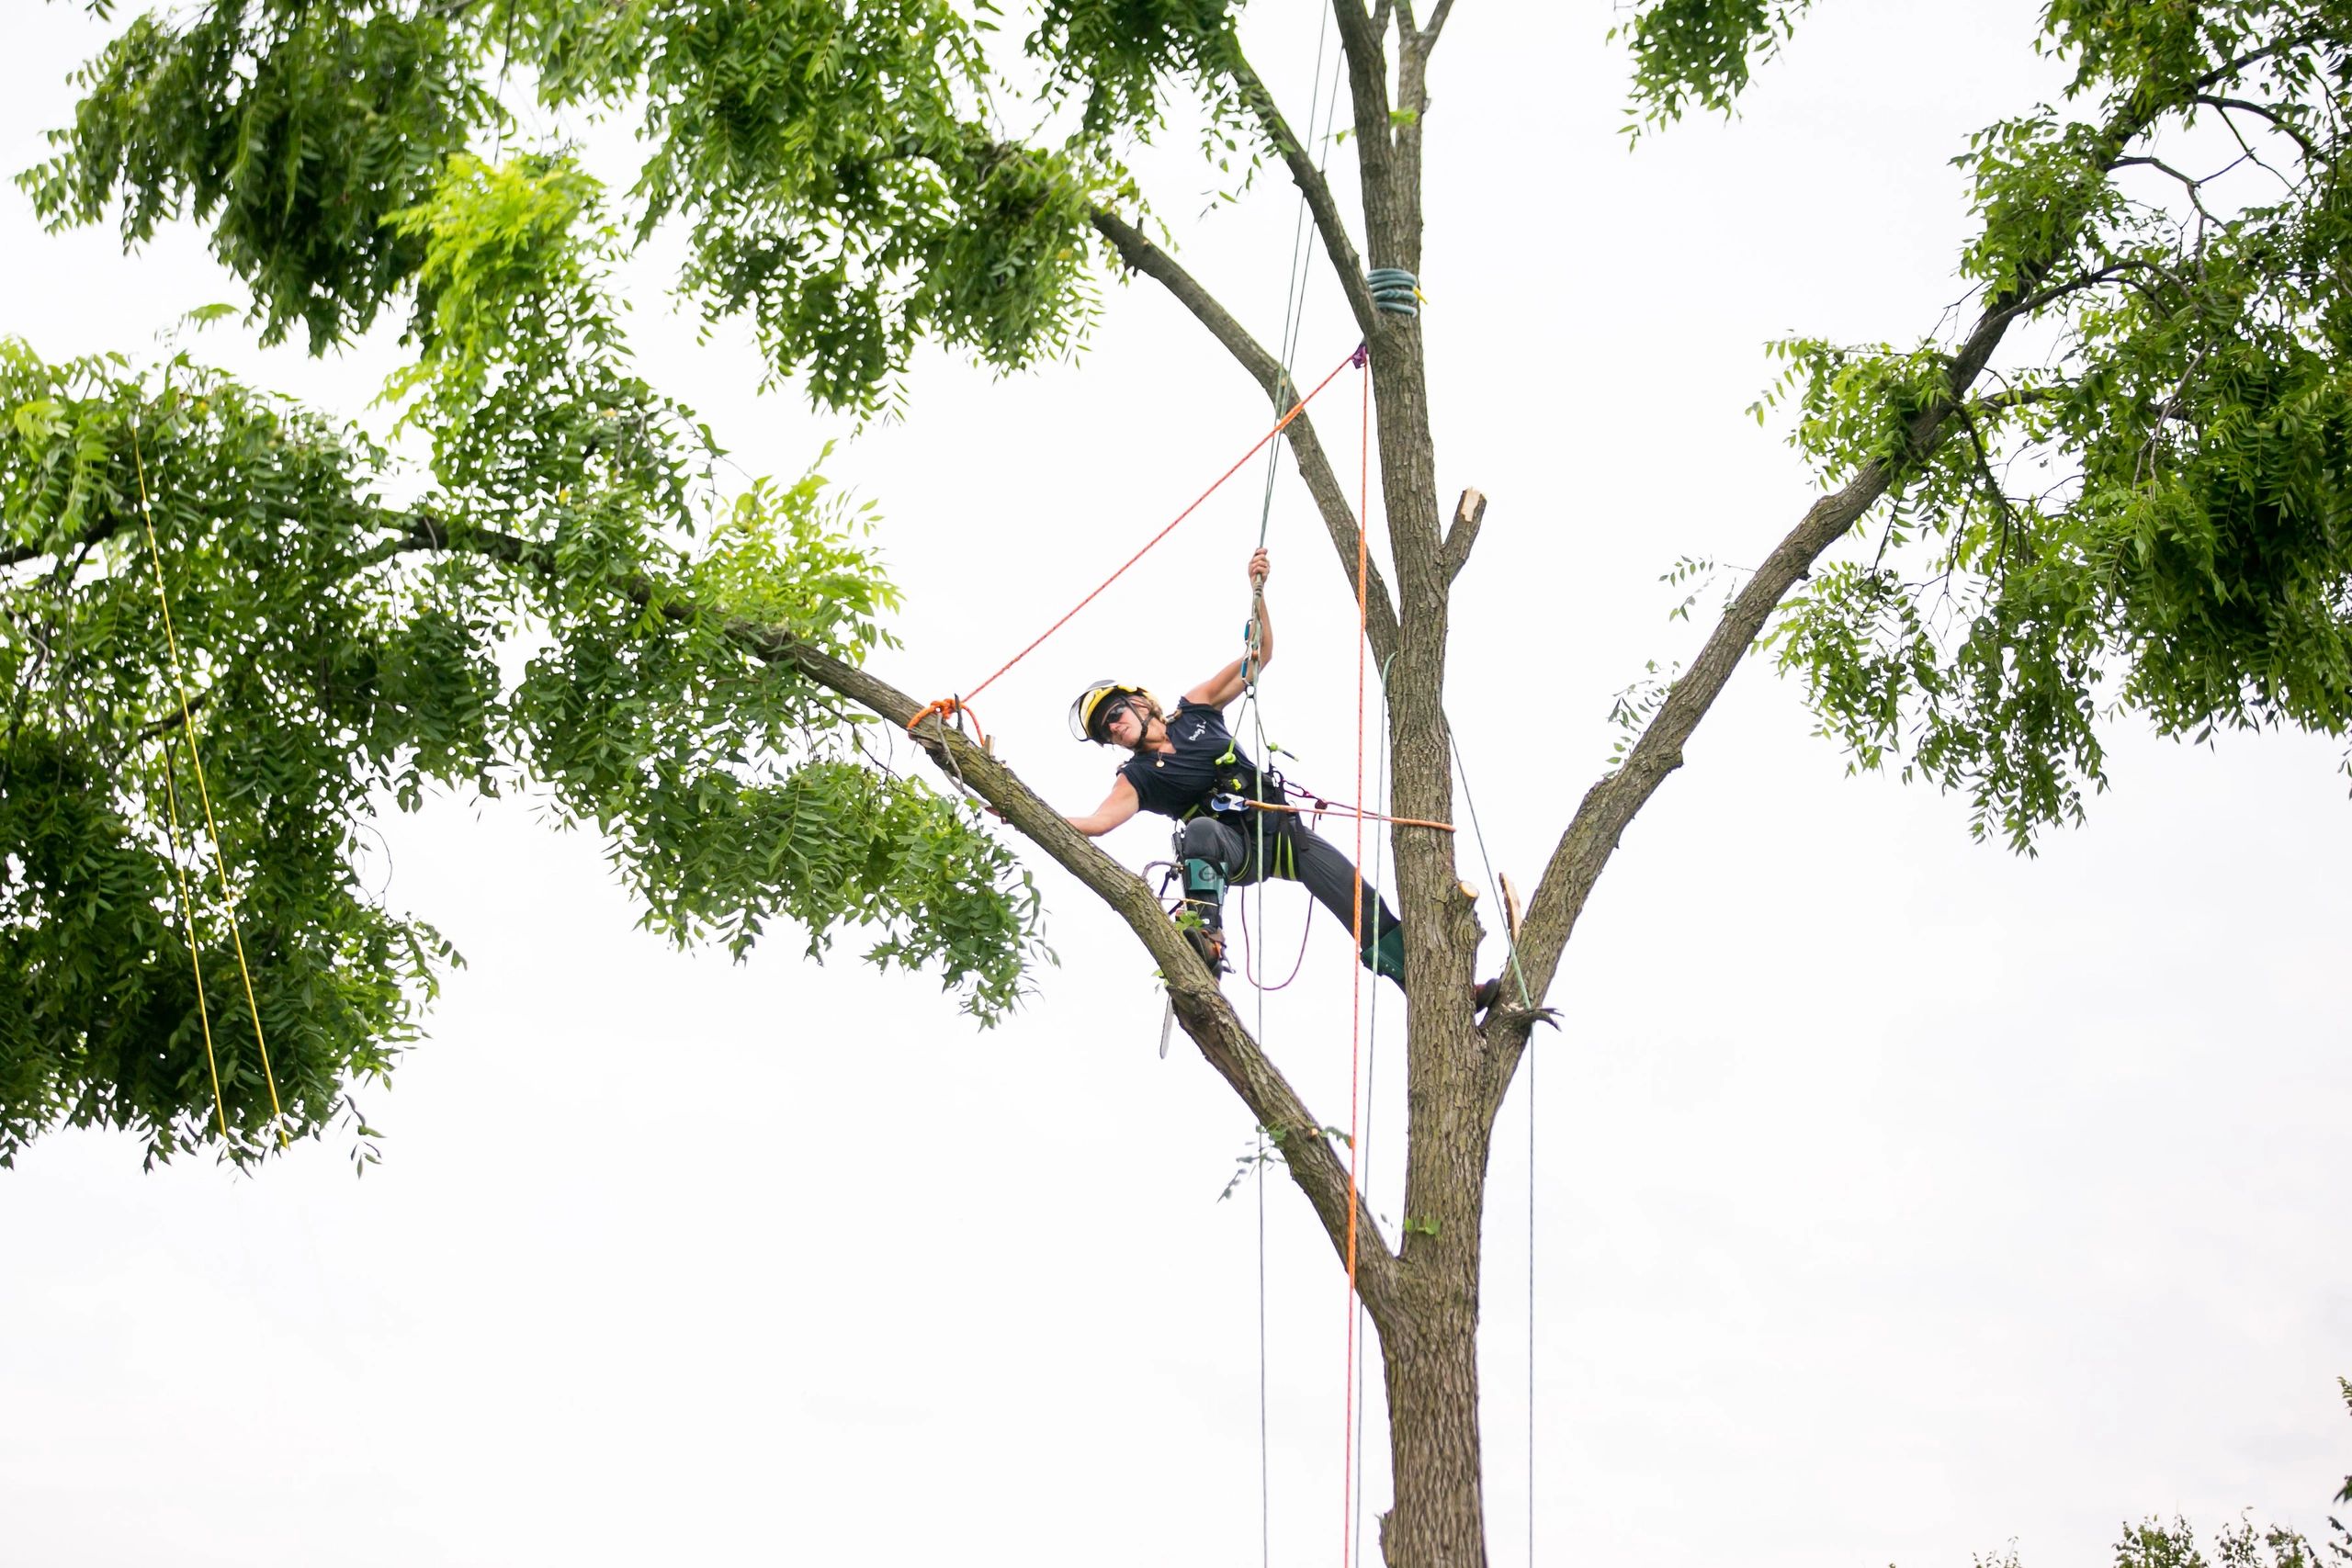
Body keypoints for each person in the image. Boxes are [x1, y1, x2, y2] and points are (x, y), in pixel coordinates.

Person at [1062, 547, 1407, 988]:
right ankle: (1206, 935)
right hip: (1233, 850)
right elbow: (1099, 822)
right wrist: (1025, 811)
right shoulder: (1138, 776)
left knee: (1362, 901)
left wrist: (1257, 590)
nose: (1115, 729)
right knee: (1200, 829)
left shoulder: (1196, 709)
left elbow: (1259, 654)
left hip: (1283, 835)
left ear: (1141, 702)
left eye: (1114, 715)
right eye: (1107, 733)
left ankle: (1425, 983)